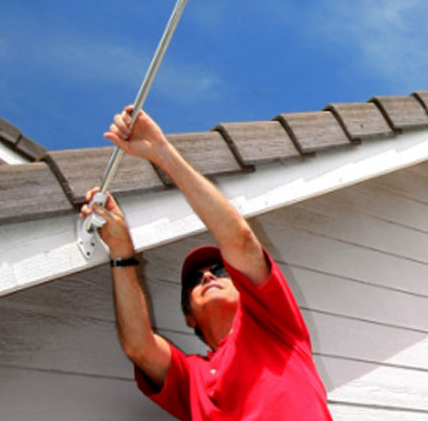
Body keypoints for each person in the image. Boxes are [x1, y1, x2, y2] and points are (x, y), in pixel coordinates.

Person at [81, 106, 333, 421]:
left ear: (245, 292)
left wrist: (162, 152)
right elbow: (139, 348)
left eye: (219, 270)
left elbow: (239, 239)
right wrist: (120, 248)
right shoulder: (191, 378)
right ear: (189, 318)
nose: (206, 277)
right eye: (194, 281)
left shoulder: (274, 326)